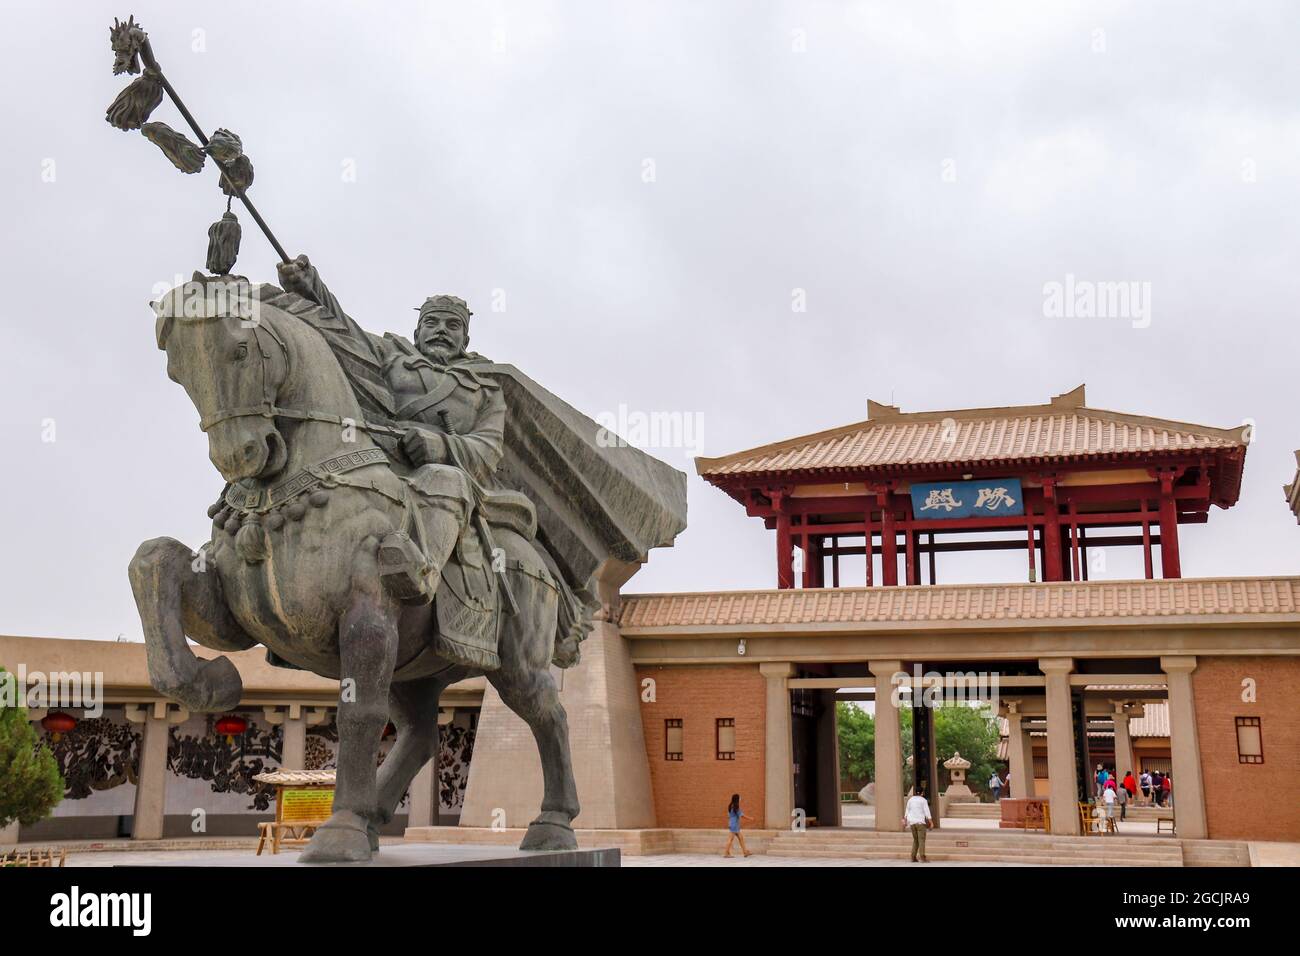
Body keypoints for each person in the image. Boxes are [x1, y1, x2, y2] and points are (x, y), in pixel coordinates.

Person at [903, 785, 934, 862]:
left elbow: (907, 811)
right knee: (921, 840)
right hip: (920, 823)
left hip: (912, 823)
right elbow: (927, 812)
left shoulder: (910, 800)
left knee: (915, 840)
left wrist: (905, 821)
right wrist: (931, 823)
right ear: (922, 793)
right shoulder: (923, 800)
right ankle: (922, 857)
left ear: (915, 792)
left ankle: (913, 857)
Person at [723, 793, 753, 858]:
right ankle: (726, 853)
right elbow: (741, 815)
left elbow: (729, 815)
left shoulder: (730, 806)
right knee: (730, 839)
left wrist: (731, 822)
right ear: (737, 799)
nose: (740, 799)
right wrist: (750, 818)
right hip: (734, 825)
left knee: (741, 838)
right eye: (739, 798)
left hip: (734, 824)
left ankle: (745, 852)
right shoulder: (735, 807)